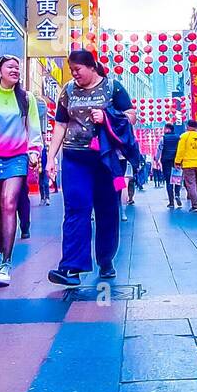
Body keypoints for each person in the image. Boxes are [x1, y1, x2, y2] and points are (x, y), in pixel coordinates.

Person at [45, 51, 133, 286]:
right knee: (76, 208)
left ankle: (105, 260)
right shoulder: (68, 90)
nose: (74, 74)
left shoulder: (112, 87)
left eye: (78, 70)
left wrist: (107, 117)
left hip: (106, 159)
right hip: (75, 158)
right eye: (71, 70)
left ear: (92, 67)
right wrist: (51, 158)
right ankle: (71, 268)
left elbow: (131, 115)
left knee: (107, 210)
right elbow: (61, 125)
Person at [0, 55, 40, 288]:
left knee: (9, 204)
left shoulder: (26, 98)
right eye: (10, 67)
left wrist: (34, 151)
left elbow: (33, 127)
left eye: (18, 68)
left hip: (16, 157)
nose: (15, 70)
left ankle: (7, 261)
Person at [159, 123, 182, 208]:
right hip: (177, 161)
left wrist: (156, 159)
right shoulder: (178, 138)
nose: (164, 130)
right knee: (177, 178)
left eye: (165, 129)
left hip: (166, 161)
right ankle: (177, 194)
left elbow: (159, 149)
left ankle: (171, 202)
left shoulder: (163, 138)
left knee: (168, 181)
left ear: (168, 129)